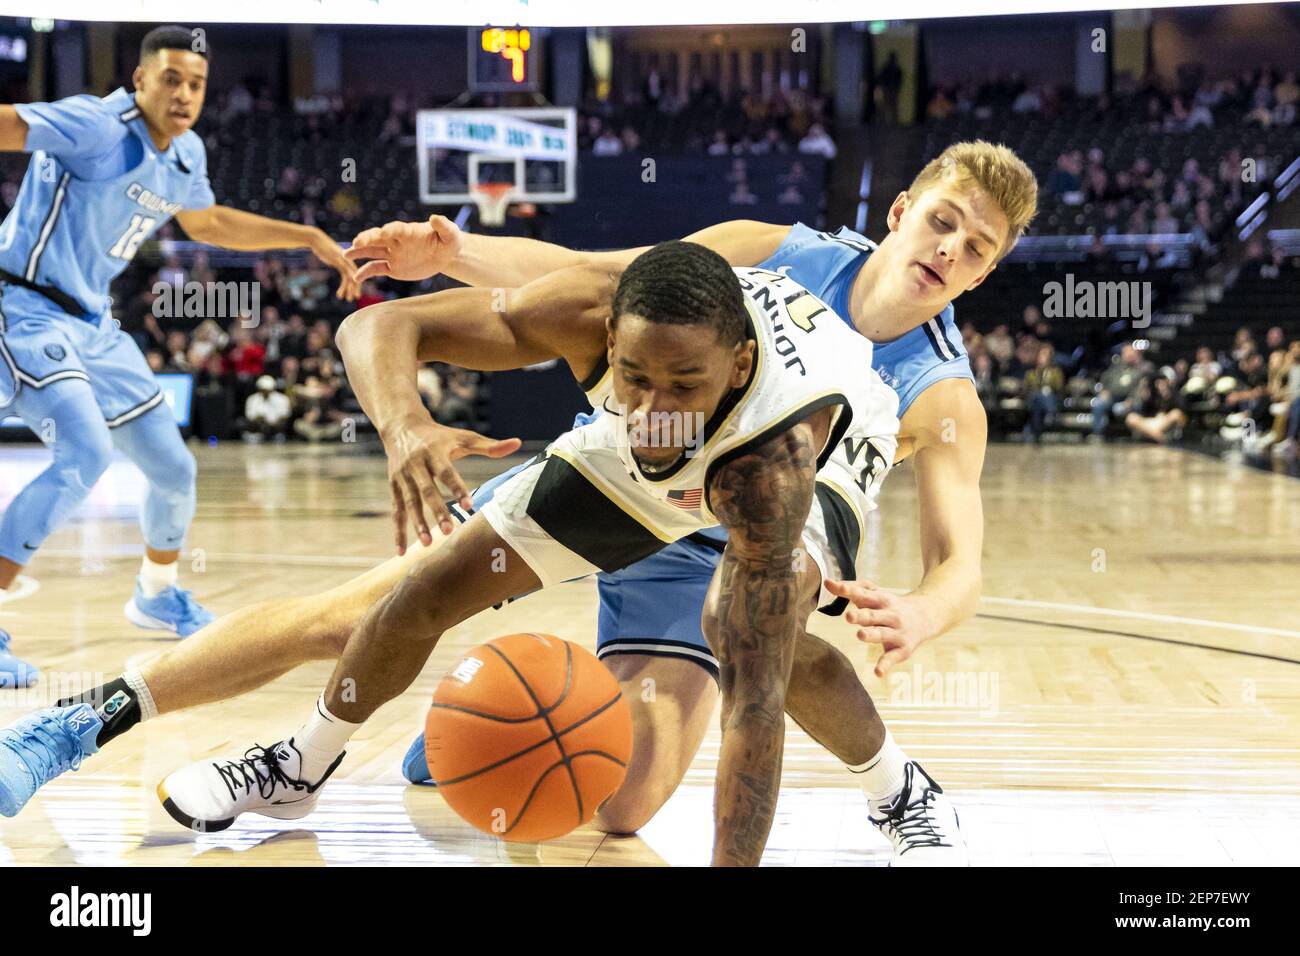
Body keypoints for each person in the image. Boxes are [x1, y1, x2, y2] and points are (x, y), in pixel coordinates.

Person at [0, 141, 1038, 866]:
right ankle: (79, 723)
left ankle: (480, 710)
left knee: (623, 801)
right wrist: (457, 257)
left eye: (977, 245)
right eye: (942, 219)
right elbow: (602, 281)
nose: (948, 247)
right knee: (366, 606)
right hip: (638, 464)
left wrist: (921, 610)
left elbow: (962, 560)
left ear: (987, 270)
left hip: (726, 545)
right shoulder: (778, 250)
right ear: (902, 210)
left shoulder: (938, 393)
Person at [0, 26, 358, 681]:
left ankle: (155, 596)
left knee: (172, 468)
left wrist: (306, 234)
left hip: (93, 322)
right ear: (139, 80)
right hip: (21, 306)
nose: (185, 93)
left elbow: (209, 223)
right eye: (170, 78)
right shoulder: (95, 126)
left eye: (195, 82)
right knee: (85, 454)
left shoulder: (185, 152)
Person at [241, 374, 291, 442]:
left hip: (276, 427)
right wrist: (260, 419)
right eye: (263, 390)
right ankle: (256, 436)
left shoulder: (282, 399)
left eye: (268, 390)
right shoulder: (252, 399)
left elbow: (285, 415)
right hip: (259, 427)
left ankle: (277, 436)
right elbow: (250, 417)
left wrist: (276, 422)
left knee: (282, 424)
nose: (266, 392)